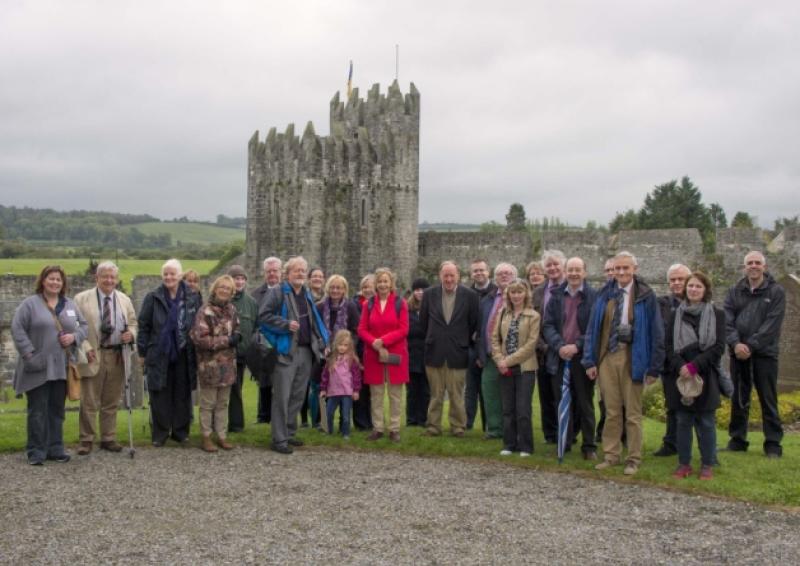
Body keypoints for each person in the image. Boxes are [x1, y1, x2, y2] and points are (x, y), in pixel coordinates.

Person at [582, 251, 664, 475]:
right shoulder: (604, 294)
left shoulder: (646, 295)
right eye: (617, 268)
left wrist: (654, 366)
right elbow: (592, 330)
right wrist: (589, 361)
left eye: (626, 268)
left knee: (633, 412)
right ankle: (611, 455)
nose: (621, 272)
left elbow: (657, 332)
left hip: (633, 356)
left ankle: (633, 458)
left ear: (634, 269)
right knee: (611, 411)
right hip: (608, 356)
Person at [12, 265, 88, 465]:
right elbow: (17, 328)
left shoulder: (70, 305)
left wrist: (74, 337)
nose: (55, 282)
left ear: (63, 283)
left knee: (56, 410)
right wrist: (29, 354)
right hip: (37, 366)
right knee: (37, 411)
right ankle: (36, 451)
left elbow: (84, 326)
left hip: (61, 366)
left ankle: (55, 448)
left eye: (58, 280)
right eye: (51, 278)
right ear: (43, 281)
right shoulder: (30, 304)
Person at [259, 256, 329, 454]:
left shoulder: (305, 293)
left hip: (306, 351)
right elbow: (263, 317)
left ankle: (289, 433)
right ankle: (278, 439)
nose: (300, 273)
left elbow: (315, 322)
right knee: (282, 396)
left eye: (303, 270)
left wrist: (323, 343)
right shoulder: (278, 292)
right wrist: (285, 324)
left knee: (298, 396)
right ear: (287, 274)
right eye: (296, 270)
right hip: (286, 351)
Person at [724, 251, 786, 458]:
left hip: (764, 354)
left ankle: (773, 444)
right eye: (749, 263)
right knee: (739, 398)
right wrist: (735, 344)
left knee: (767, 398)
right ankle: (738, 440)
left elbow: (772, 325)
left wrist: (750, 346)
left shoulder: (776, 292)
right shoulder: (734, 291)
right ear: (744, 267)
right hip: (738, 353)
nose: (753, 266)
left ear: (764, 267)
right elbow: (727, 320)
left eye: (757, 263)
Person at [664, 271, 725, 480]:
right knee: (683, 420)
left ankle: (707, 464)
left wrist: (694, 366)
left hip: (705, 375)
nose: (693, 289)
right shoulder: (675, 314)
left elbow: (718, 347)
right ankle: (684, 463)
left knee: (706, 421)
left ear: (705, 290)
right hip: (680, 376)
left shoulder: (717, 314)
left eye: (698, 286)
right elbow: (669, 346)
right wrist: (681, 366)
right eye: (690, 286)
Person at [74, 261, 137, 455]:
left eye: (112, 277)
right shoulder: (81, 299)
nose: (109, 280)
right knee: (89, 400)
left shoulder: (124, 299)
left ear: (117, 279)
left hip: (117, 355)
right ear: (97, 278)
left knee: (111, 400)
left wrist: (131, 335)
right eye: (105, 276)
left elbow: (134, 323)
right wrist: (85, 347)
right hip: (94, 354)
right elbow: (74, 326)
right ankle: (86, 439)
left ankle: (108, 438)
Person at [137, 259, 201, 447]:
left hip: (184, 352)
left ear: (180, 275)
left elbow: (198, 322)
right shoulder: (153, 297)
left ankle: (181, 432)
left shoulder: (193, 296)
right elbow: (144, 326)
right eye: (165, 274)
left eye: (173, 273)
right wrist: (142, 352)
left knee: (182, 394)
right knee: (159, 394)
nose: (169, 277)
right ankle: (160, 433)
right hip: (159, 352)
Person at [543, 257, 599, 460]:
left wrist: (577, 346)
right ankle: (564, 442)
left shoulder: (594, 296)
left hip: (583, 358)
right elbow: (547, 325)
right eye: (571, 270)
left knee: (585, 403)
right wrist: (559, 346)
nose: (574, 273)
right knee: (561, 402)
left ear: (585, 272)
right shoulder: (556, 295)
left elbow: (595, 328)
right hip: (559, 357)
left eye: (578, 270)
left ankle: (589, 446)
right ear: (565, 272)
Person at [419, 261, 479, 437]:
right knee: (435, 394)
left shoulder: (470, 296)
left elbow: (474, 322)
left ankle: (458, 426)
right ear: (440, 276)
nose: (449, 279)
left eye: (452, 275)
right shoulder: (429, 294)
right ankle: (433, 426)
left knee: (456, 394)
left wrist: (461, 340)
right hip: (434, 350)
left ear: (458, 276)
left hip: (458, 351)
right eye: (446, 275)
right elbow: (423, 322)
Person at [357, 267, 409, 442]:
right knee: (376, 393)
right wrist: (374, 342)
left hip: (395, 353)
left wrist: (384, 340)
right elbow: (362, 329)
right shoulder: (368, 304)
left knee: (395, 394)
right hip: (373, 353)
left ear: (391, 283)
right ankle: (378, 428)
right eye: (379, 281)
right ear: (375, 284)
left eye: (385, 281)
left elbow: (403, 328)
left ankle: (394, 429)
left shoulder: (400, 303)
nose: (382, 284)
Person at [190, 275, 240, 452]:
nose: (224, 291)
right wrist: (227, 340)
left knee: (223, 403)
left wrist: (237, 336)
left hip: (227, 366)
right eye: (222, 287)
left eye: (228, 288)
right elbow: (200, 339)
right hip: (209, 366)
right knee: (208, 403)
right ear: (215, 288)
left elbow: (237, 330)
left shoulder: (232, 310)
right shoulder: (205, 311)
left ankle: (221, 435)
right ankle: (205, 436)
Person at [491, 278, 539, 457]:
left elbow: (531, 344)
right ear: (508, 294)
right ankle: (509, 443)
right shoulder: (503, 313)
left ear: (526, 294)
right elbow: (495, 338)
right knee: (508, 408)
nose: (516, 295)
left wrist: (508, 361)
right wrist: (499, 359)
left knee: (523, 409)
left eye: (520, 292)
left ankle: (526, 446)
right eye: (513, 292)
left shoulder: (533, 316)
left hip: (525, 367)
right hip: (504, 368)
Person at [653, 263, 692, 458]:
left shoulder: (700, 304)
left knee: (696, 409)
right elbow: (661, 333)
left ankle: (696, 447)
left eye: (681, 279)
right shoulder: (662, 304)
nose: (677, 283)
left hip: (694, 364)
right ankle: (671, 443)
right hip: (670, 364)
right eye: (673, 280)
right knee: (672, 405)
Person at [477, 262, 517, 439]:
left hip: (513, 357)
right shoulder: (488, 299)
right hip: (489, 356)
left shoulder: (520, 298)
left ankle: (513, 430)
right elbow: (481, 328)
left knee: (513, 396)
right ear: (495, 277)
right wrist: (480, 353)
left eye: (508, 273)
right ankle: (494, 429)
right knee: (490, 394)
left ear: (514, 276)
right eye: (500, 273)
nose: (504, 276)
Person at [317, 274, 361, 432]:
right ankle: (322, 423)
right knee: (322, 389)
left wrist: (348, 348)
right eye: (333, 287)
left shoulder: (351, 306)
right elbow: (316, 330)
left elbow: (357, 330)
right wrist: (323, 347)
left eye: (339, 287)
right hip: (325, 354)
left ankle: (344, 425)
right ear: (328, 288)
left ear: (344, 290)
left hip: (345, 355)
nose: (335, 290)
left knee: (344, 391)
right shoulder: (320, 307)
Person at [532, 250, 567, 444]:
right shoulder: (538, 292)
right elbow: (533, 323)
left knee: (562, 395)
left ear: (563, 265)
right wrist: (542, 345)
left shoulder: (570, 288)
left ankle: (567, 433)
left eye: (556, 264)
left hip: (563, 350)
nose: (552, 268)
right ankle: (550, 434)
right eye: (549, 265)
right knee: (545, 395)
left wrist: (561, 346)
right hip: (542, 351)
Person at [226, 265, 258, 433]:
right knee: (223, 390)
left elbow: (256, 327)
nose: (239, 281)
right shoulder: (223, 299)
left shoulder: (252, 303)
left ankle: (236, 425)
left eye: (241, 278)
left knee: (236, 388)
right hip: (222, 353)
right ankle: (223, 424)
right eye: (235, 278)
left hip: (242, 354)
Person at [251, 256, 282, 424]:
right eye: (268, 271)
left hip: (283, 342)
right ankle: (263, 417)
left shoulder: (287, 291)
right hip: (263, 342)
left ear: (281, 272)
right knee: (264, 381)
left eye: (275, 271)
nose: (272, 274)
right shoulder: (256, 294)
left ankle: (279, 417)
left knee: (281, 382)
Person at [466, 259, 495, 431]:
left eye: (482, 270)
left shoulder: (497, 292)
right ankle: (467, 424)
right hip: (471, 347)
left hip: (491, 350)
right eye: (475, 271)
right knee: (470, 390)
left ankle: (488, 425)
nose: (479, 273)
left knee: (488, 391)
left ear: (488, 272)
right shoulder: (467, 293)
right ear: (471, 274)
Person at [320, 330, 362, 438]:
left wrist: (356, 390)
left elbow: (357, 377)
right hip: (333, 392)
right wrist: (323, 389)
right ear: (335, 344)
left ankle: (345, 433)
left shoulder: (352, 360)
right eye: (340, 344)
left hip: (347, 392)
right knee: (328, 413)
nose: (342, 347)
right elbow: (325, 376)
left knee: (346, 415)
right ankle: (328, 431)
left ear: (350, 346)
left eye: (345, 345)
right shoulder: (330, 359)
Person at [595, 256, 617, 443]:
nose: (611, 273)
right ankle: (604, 432)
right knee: (605, 399)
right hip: (603, 356)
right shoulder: (601, 295)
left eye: (614, 269)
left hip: (624, 354)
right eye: (608, 270)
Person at [352, 273, 376, 431]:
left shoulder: (379, 305)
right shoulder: (354, 304)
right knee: (359, 387)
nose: (367, 290)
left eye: (370, 287)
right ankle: (361, 423)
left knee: (373, 389)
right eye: (365, 287)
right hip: (359, 350)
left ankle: (372, 421)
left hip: (373, 350)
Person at [406, 278, 431, 427]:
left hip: (427, 353)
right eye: (417, 289)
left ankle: (423, 418)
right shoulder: (407, 309)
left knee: (425, 389)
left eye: (423, 289)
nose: (420, 292)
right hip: (411, 354)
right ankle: (411, 419)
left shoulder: (432, 307)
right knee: (412, 390)